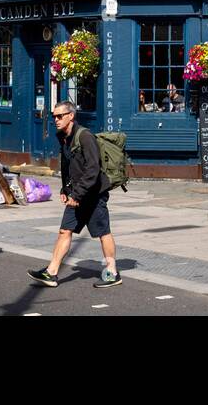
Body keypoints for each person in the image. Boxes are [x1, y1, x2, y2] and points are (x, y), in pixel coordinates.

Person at [28, 101, 121, 288]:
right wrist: (65, 189)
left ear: (71, 116)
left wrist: (77, 194)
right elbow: (67, 166)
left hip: (93, 195)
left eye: (59, 116)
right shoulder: (63, 137)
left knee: (103, 232)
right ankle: (51, 272)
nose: (56, 120)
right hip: (76, 195)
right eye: (54, 116)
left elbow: (93, 170)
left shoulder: (85, 137)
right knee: (64, 231)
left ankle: (112, 272)